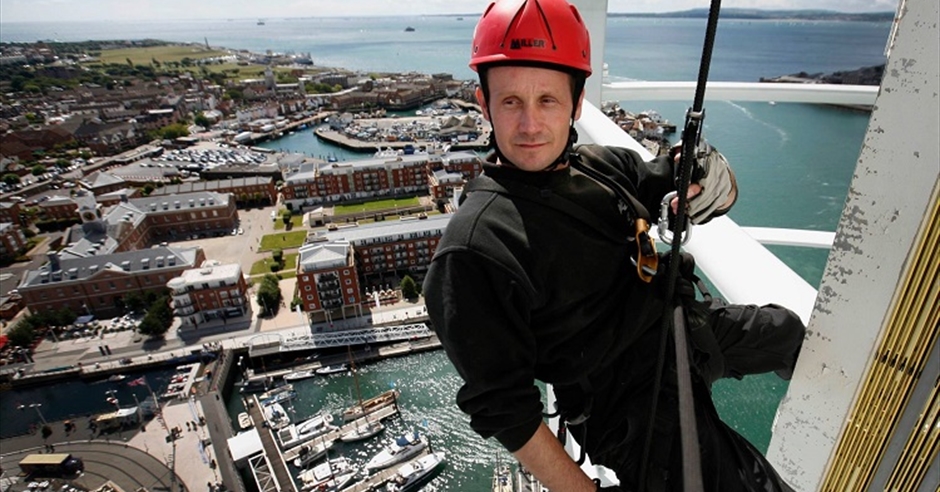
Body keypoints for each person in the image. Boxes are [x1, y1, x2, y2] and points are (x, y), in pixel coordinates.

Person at [422, 0, 806, 491]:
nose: (529, 126)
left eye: (547, 101)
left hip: (678, 327)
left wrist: (703, 174)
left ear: (576, 105)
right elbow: (506, 407)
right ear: (485, 104)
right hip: (628, 407)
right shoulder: (475, 250)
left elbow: (686, 177)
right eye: (511, 101)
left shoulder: (602, 168)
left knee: (793, 333)